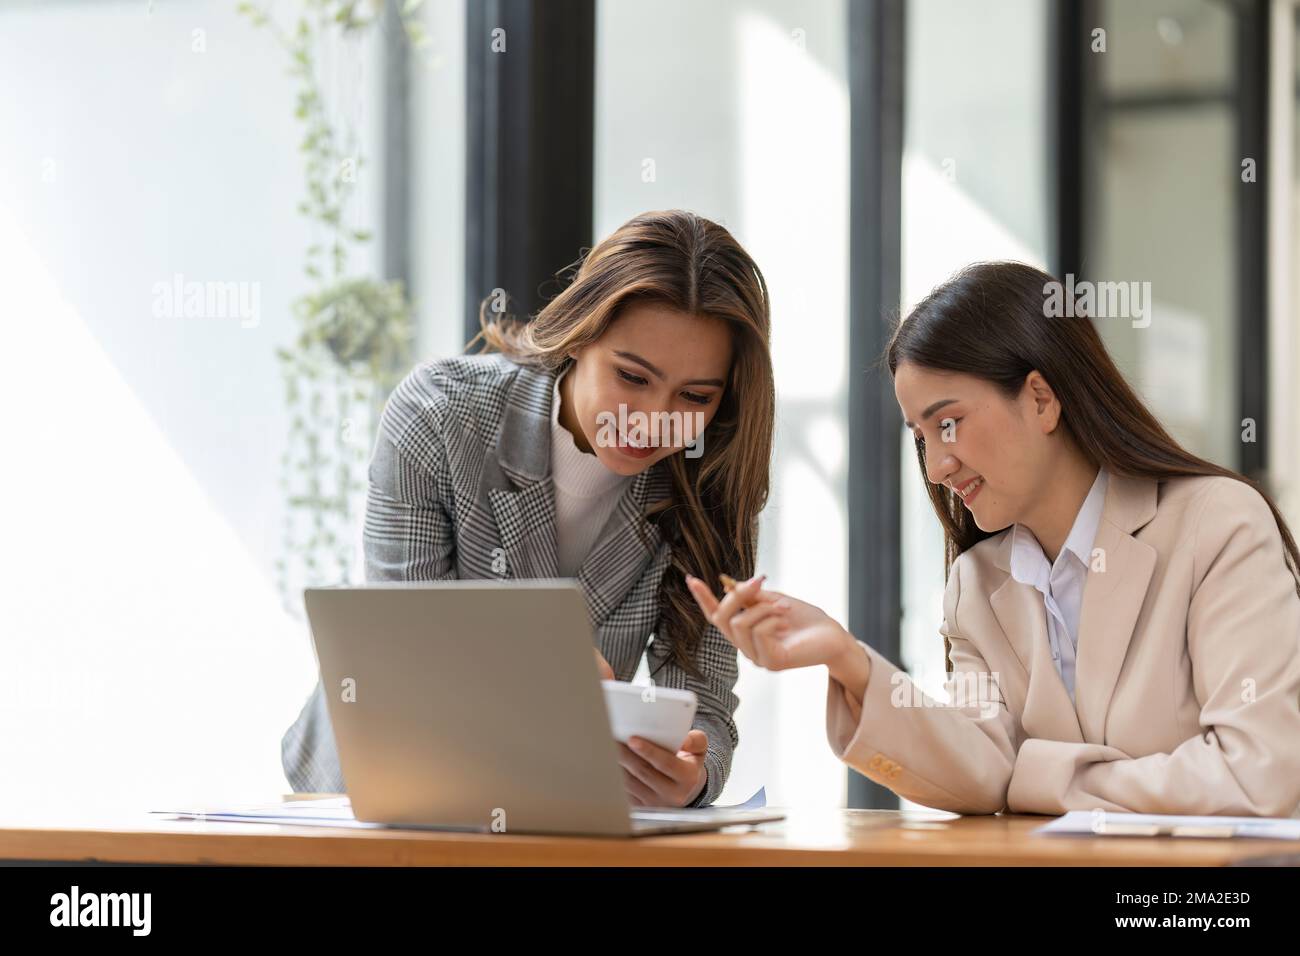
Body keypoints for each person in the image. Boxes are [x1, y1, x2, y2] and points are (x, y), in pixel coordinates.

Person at [691, 261, 1300, 817]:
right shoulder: (977, 583)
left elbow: (1259, 776)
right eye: (921, 436)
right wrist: (844, 657)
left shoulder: (1218, 526)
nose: (935, 467)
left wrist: (1041, 780)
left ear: (1040, 399)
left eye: (947, 423)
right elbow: (982, 770)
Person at [283, 209, 775, 807]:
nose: (654, 419)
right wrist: (538, 667)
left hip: (548, 804)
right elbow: (399, 649)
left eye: (694, 396)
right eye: (631, 376)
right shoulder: (439, 415)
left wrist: (693, 777)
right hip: (371, 789)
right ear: (580, 334)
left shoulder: (712, 479)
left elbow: (706, 701)